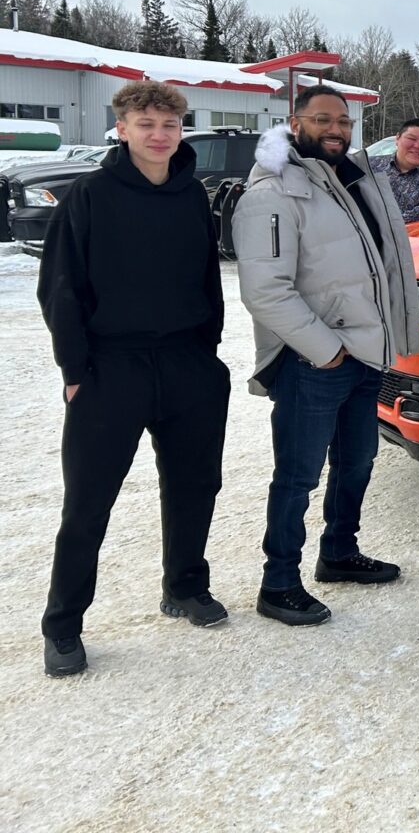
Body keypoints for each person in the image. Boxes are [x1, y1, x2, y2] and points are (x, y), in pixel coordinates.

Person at [37, 81, 230, 678]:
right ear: (121, 128)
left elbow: (208, 278)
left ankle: (185, 587)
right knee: (89, 502)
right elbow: (60, 286)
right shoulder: (90, 195)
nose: (158, 135)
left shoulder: (191, 197)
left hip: (186, 364)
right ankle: (64, 625)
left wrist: (207, 350)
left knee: (196, 485)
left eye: (169, 125)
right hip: (110, 368)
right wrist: (75, 369)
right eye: (145, 123)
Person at [233, 85, 419, 626]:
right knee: (298, 475)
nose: (336, 128)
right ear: (296, 124)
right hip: (314, 362)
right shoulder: (272, 194)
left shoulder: (347, 180)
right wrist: (327, 352)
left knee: (357, 463)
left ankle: (338, 552)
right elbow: (266, 290)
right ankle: (279, 583)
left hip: (364, 355)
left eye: (343, 119)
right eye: (323, 119)